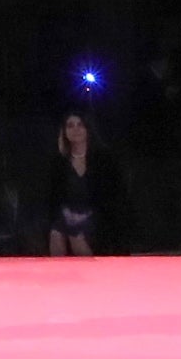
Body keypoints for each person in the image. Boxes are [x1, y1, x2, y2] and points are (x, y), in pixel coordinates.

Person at [37, 108, 131, 257]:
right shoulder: (59, 162)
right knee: (56, 233)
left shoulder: (103, 159)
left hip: (97, 215)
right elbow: (52, 197)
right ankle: (60, 276)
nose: (75, 129)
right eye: (70, 125)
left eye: (80, 124)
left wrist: (87, 214)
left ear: (88, 128)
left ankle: (89, 276)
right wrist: (65, 213)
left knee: (76, 235)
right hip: (66, 214)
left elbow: (112, 195)